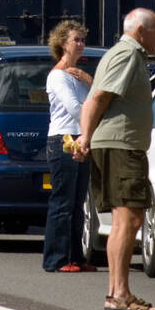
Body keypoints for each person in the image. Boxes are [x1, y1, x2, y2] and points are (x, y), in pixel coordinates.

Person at [76, 8, 155, 310]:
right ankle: (120, 293)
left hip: (119, 145)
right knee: (129, 219)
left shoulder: (126, 54)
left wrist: (87, 138)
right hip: (119, 145)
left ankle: (115, 293)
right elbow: (97, 98)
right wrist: (85, 138)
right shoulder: (126, 55)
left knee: (124, 221)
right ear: (141, 31)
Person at [43, 20, 96, 273]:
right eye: (76, 39)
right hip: (63, 141)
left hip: (81, 138)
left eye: (83, 40)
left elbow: (95, 101)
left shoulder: (79, 76)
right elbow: (77, 108)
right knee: (62, 203)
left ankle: (76, 257)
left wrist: (90, 79)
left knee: (77, 204)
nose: (81, 44)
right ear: (62, 43)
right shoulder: (57, 76)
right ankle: (56, 259)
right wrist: (93, 116)